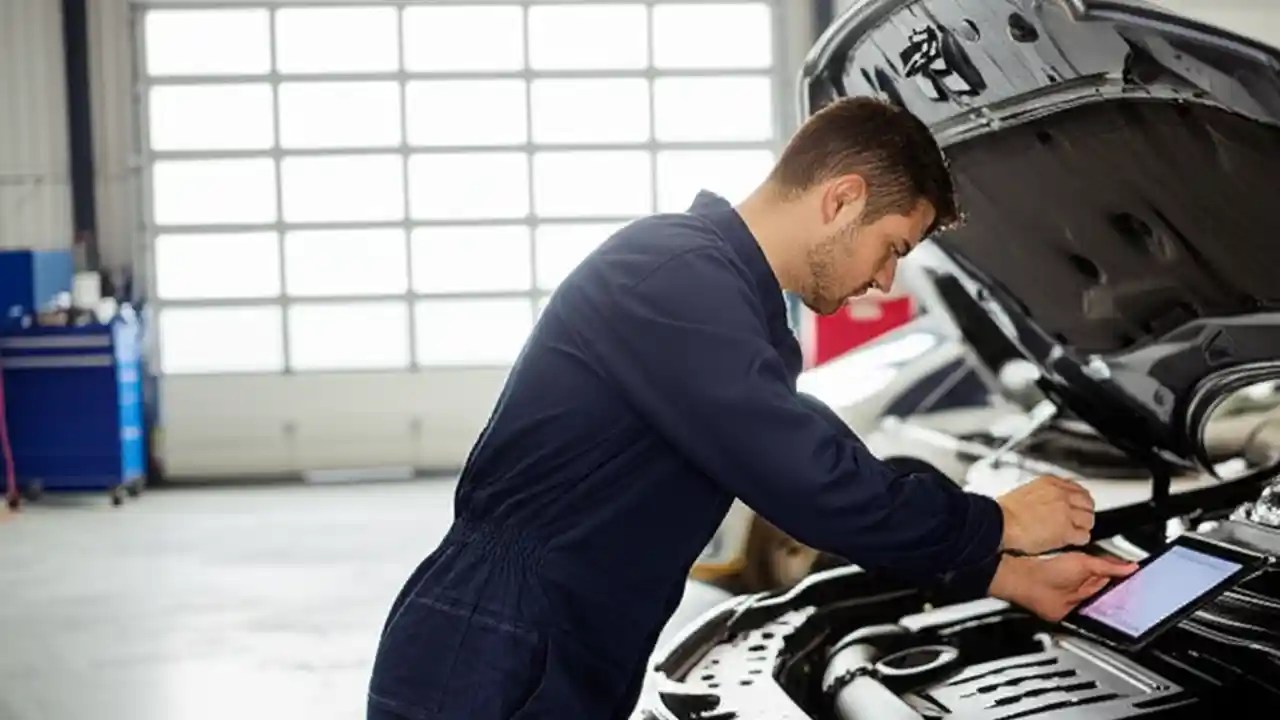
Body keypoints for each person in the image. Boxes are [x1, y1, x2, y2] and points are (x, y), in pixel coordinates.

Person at [366, 96, 1137, 720]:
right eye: (895, 246)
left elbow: (840, 474)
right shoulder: (671, 274)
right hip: (501, 637)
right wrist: (996, 521)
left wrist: (1004, 576)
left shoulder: (731, 309)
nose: (886, 281)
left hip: (558, 637)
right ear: (842, 199)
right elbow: (812, 482)